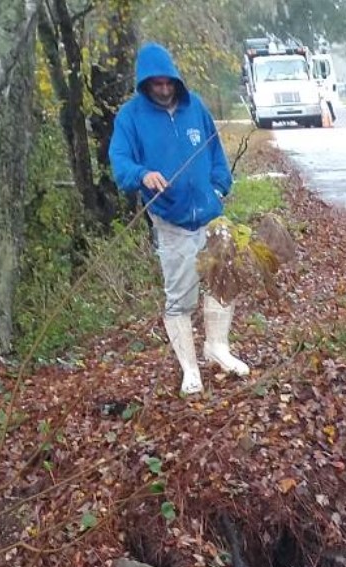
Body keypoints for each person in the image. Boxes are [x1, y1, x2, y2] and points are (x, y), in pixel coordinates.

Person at [108, 42, 249, 397]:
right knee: (181, 295)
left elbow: (215, 151)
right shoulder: (130, 117)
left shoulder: (194, 106)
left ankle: (217, 347)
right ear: (145, 83)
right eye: (156, 84)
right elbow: (120, 161)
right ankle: (190, 369)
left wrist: (219, 186)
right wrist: (142, 174)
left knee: (223, 282)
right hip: (171, 220)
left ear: (175, 80)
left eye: (168, 82)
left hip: (211, 215)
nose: (164, 88)